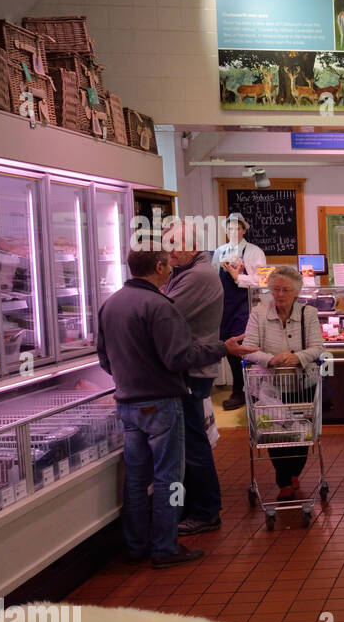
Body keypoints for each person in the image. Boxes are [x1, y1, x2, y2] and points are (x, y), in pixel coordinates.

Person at [97, 245, 234, 568]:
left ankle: (134, 546)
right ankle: (165, 547)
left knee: (135, 477)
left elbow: (104, 359)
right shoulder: (160, 306)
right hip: (161, 402)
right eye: (167, 263)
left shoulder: (110, 304)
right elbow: (178, 358)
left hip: (127, 404)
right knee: (168, 477)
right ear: (158, 267)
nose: (171, 268)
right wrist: (221, 349)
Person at [232, 266, 325, 500]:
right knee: (274, 434)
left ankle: (294, 473)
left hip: (302, 383)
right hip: (268, 387)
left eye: (285, 290)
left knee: (302, 433)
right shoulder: (259, 313)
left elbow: (317, 347)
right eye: (275, 289)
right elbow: (248, 348)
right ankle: (284, 480)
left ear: (297, 291)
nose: (279, 294)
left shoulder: (308, 313)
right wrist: (269, 359)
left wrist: (298, 357)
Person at [161, 221, 224, 536]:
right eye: (166, 243)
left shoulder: (198, 275)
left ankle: (205, 511)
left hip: (193, 370)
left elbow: (163, 313)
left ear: (195, 245)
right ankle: (198, 508)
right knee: (190, 441)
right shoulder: (185, 272)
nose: (169, 250)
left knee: (192, 444)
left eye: (175, 244)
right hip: (188, 368)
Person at [210, 213, 267, 410]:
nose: (233, 232)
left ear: (244, 230)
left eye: (237, 228)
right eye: (229, 228)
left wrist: (238, 276)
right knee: (228, 347)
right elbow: (213, 279)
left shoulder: (254, 251)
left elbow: (262, 281)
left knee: (246, 347)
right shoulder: (219, 251)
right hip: (224, 307)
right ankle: (238, 389)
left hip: (246, 306)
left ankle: (252, 391)